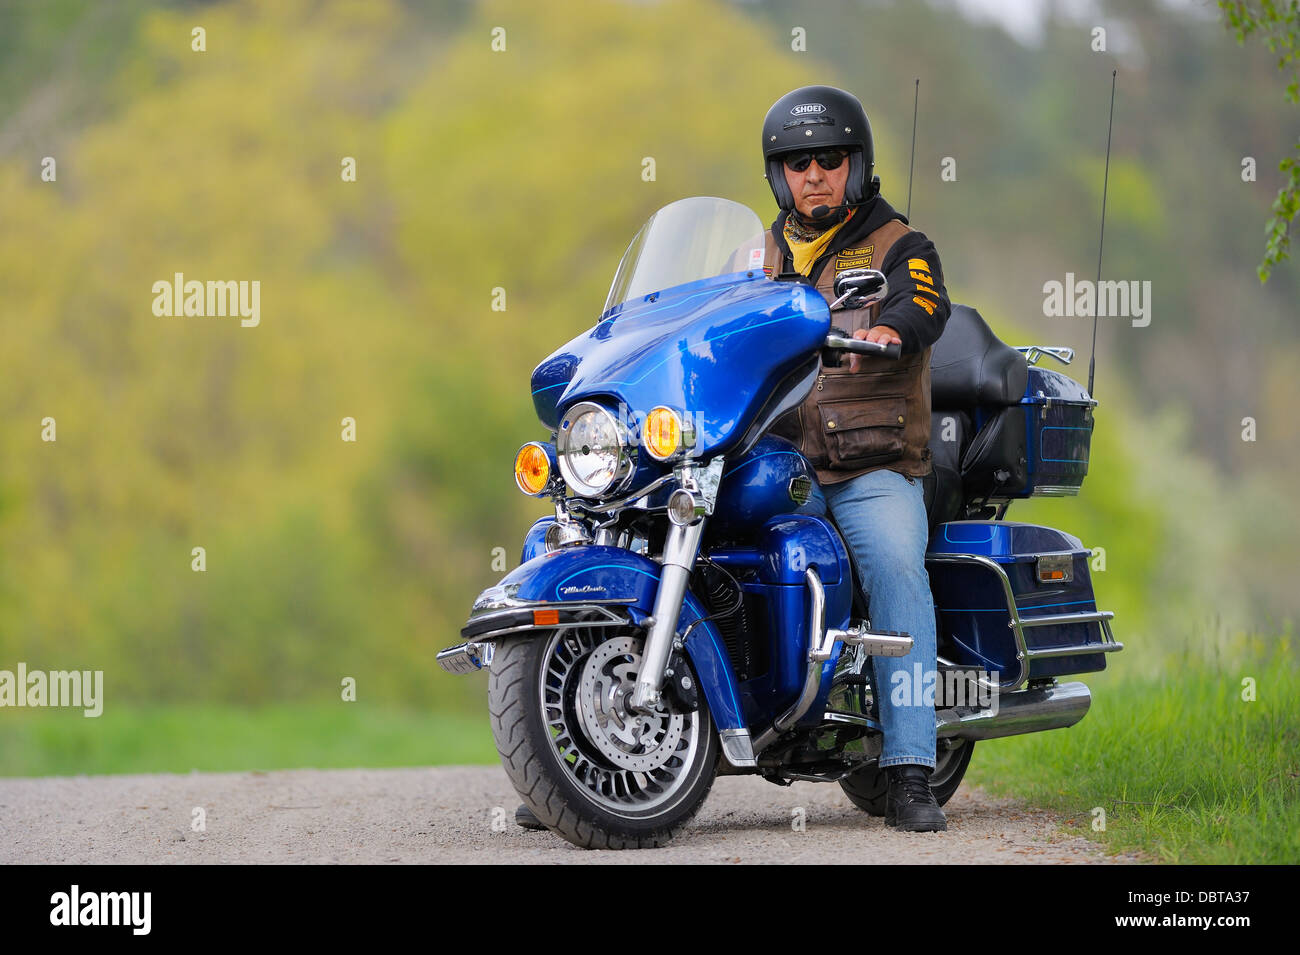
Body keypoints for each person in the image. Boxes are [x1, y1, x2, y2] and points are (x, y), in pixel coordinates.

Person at [760, 84, 952, 832]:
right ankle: (593, 762)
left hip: (871, 465)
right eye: (798, 162)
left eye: (830, 159)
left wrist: (891, 329)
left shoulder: (899, 244)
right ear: (780, 175)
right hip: (780, 464)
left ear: (857, 165)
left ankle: (909, 768)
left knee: (898, 568)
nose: (814, 174)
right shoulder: (757, 256)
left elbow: (925, 304)